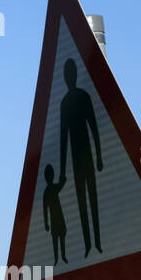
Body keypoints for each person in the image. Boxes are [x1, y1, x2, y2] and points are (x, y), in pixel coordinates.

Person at [59, 58, 103, 257]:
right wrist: (61, 171)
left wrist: (100, 156)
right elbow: (62, 139)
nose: (70, 77)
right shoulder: (64, 103)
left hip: (87, 158)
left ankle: (98, 244)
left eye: (72, 73)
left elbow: (94, 126)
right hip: (75, 163)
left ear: (75, 75)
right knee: (81, 205)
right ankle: (88, 246)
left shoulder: (84, 97)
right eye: (68, 74)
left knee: (93, 200)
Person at [42, 164, 68, 264]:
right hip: (54, 218)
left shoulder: (50, 189)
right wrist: (46, 223)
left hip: (58, 217)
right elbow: (45, 209)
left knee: (61, 236)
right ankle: (57, 258)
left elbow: (61, 185)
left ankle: (63, 256)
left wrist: (63, 180)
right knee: (56, 238)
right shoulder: (48, 191)